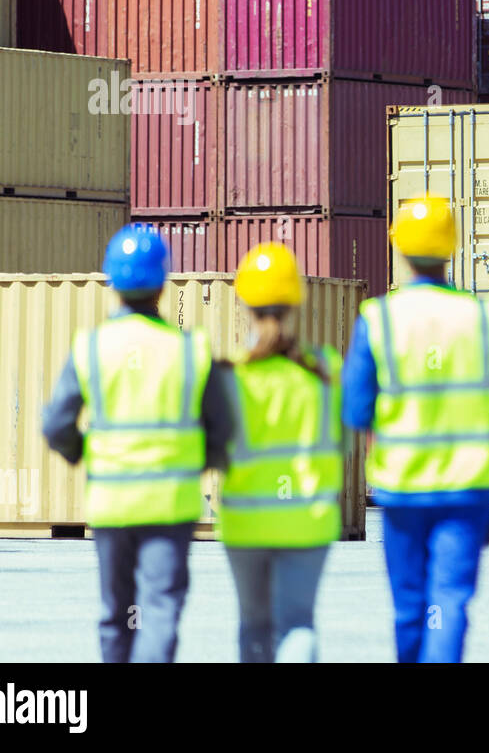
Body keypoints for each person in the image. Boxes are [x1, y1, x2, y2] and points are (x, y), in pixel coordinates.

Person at [342, 194, 489, 663]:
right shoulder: (484, 317)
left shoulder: (378, 319)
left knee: (409, 607)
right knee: (449, 601)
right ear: (453, 247)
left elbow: (356, 411)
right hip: (467, 491)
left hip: (403, 490)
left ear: (398, 248)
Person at [42, 225, 235, 663]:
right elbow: (222, 430)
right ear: (164, 284)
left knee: (117, 613)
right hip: (170, 505)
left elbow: (56, 425)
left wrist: (83, 451)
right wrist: (194, 461)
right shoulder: (189, 351)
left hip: (111, 502)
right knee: (159, 610)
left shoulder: (92, 348)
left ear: (111, 283)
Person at [219, 243, 344, 663]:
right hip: (308, 521)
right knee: (298, 624)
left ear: (243, 303)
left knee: (253, 627)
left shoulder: (231, 375)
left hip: (246, 523)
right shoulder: (326, 370)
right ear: (296, 303)